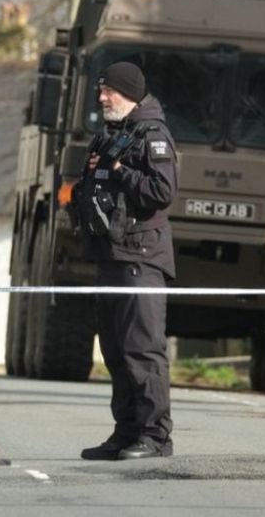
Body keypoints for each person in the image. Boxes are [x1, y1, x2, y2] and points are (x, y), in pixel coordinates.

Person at [77, 61, 178, 461]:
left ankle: (155, 437)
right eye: (100, 91)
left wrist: (120, 172)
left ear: (129, 92)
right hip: (110, 256)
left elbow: (161, 191)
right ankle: (127, 431)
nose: (101, 98)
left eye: (109, 91)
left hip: (141, 257)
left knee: (142, 350)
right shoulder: (109, 136)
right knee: (115, 351)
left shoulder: (153, 135)